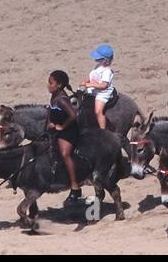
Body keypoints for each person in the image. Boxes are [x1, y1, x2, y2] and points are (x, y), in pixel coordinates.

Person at [46, 70, 83, 204]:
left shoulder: (62, 99)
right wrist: (50, 123)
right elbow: (51, 111)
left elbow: (73, 115)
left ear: (59, 85)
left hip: (69, 131)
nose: (48, 85)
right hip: (57, 128)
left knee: (64, 153)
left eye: (51, 83)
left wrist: (62, 127)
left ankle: (74, 186)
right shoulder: (54, 96)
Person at [81, 45, 116, 130]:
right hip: (95, 89)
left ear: (105, 60)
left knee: (98, 111)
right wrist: (86, 81)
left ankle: (102, 130)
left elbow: (104, 85)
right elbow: (91, 76)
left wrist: (91, 85)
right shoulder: (97, 67)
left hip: (103, 93)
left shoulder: (107, 71)